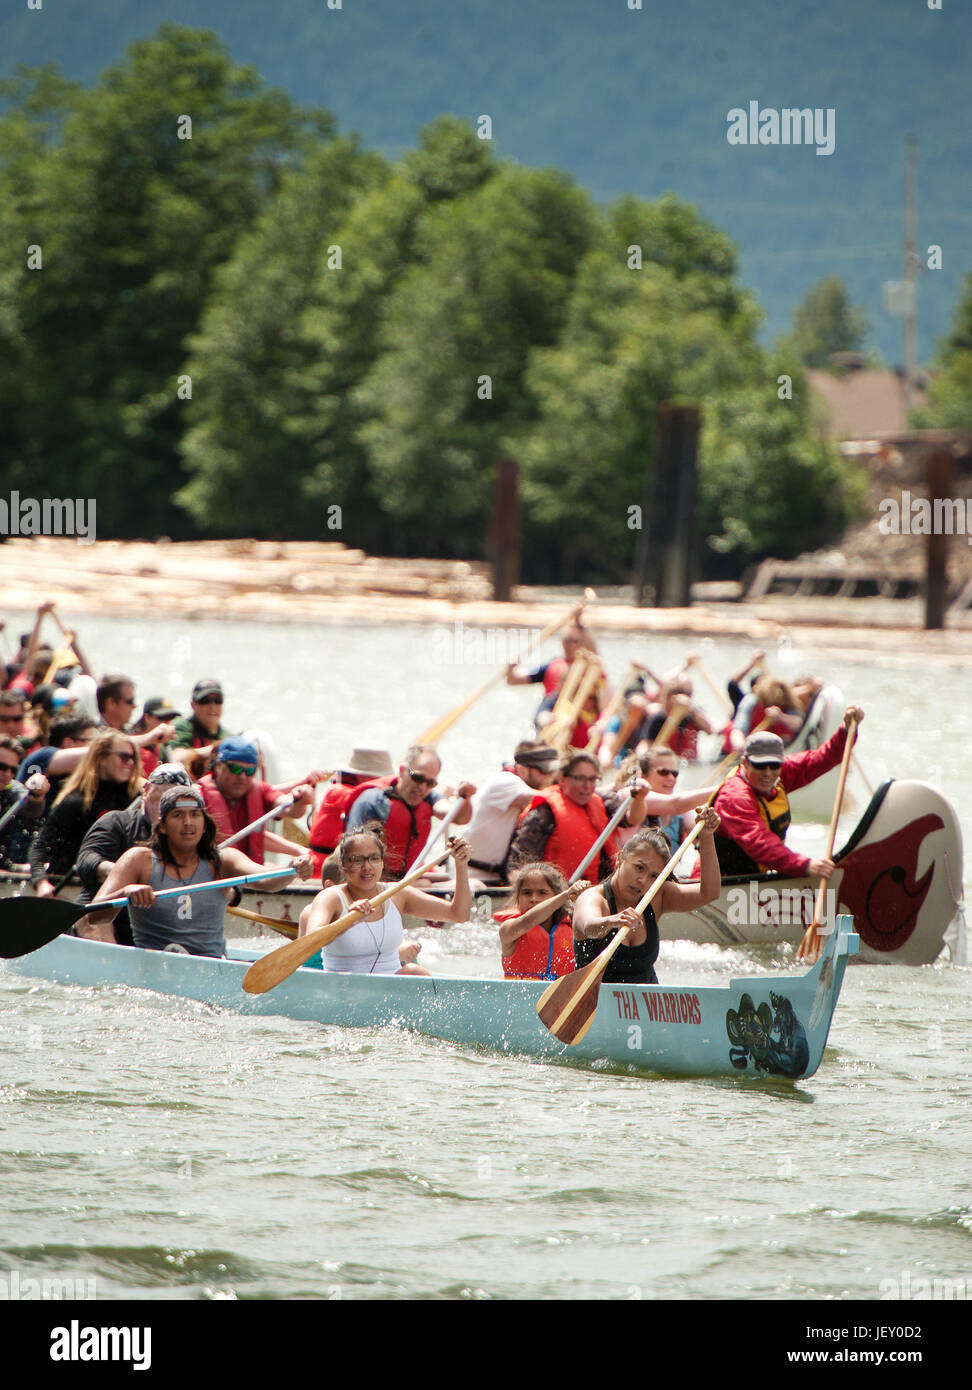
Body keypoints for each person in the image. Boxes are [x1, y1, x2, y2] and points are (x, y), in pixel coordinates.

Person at [79, 785, 314, 956]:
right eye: (178, 816)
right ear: (161, 827)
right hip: (154, 965)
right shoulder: (138, 860)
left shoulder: (223, 861)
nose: (188, 822)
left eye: (194, 815)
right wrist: (126, 893)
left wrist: (293, 869)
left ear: (204, 824)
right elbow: (95, 915)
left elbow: (267, 882)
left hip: (209, 966)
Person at [297, 825, 472, 975]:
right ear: (343, 866)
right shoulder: (331, 897)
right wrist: (348, 921)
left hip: (390, 986)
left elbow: (459, 914)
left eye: (374, 859)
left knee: (413, 972)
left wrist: (461, 866)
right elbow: (311, 941)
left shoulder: (397, 893)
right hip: (343, 988)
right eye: (357, 860)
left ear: (382, 862)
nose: (367, 867)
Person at [572, 810, 722, 984]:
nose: (642, 880)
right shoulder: (594, 898)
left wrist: (707, 836)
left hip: (645, 1005)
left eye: (653, 876)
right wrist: (613, 921)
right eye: (639, 868)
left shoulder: (657, 896)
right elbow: (588, 926)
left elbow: (709, 893)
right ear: (620, 859)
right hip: (596, 1005)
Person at [712, 707, 864, 879]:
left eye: (774, 765)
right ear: (745, 763)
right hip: (719, 883)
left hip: (752, 879)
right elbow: (760, 843)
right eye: (760, 766)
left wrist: (847, 729)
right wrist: (806, 865)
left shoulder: (781, 772)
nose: (768, 773)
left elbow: (823, 758)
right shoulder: (735, 797)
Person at [74, 765, 194, 945]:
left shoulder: (188, 835)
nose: (165, 808)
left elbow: (217, 867)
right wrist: (125, 874)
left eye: (174, 803)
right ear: (145, 791)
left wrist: (231, 893)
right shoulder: (117, 822)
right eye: (161, 797)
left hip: (154, 922)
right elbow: (86, 861)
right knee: (96, 925)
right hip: (105, 911)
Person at [508, 751, 649, 882]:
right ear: (562, 779)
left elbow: (633, 819)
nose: (587, 786)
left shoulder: (603, 802)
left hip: (594, 891)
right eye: (580, 779)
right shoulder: (544, 813)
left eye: (592, 779)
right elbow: (518, 868)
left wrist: (639, 799)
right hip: (558, 892)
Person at [29, 732, 142, 895]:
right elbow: (39, 846)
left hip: (115, 887)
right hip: (73, 887)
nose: (130, 762)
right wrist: (41, 882)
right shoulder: (77, 801)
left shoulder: (137, 799)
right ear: (102, 759)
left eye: (133, 758)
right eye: (124, 757)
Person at [344, 745, 474, 880]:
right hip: (374, 880)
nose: (422, 787)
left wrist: (465, 798)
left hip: (408, 880)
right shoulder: (373, 801)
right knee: (425, 885)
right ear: (402, 771)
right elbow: (352, 855)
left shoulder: (429, 798)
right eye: (418, 778)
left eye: (430, 783)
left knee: (475, 885)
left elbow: (459, 817)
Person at [198, 736, 315, 862]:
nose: (242, 776)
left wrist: (302, 799)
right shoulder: (199, 795)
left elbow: (292, 810)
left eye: (250, 771)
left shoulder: (259, 790)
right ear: (218, 766)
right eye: (235, 769)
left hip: (250, 874)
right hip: (212, 874)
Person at [464, 740, 559, 881]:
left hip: (499, 878)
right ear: (522, 769)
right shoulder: (504, 781)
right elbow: (542, 799)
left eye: (552, 769)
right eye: (543, 769)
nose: (549, 775)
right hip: (474, 877)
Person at [494, 862, 591, 980]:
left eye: (542, 893)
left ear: (555, 895)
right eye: (527, 893)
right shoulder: (508, 930)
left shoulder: (575, 928)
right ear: (517, 897)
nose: (534, 899)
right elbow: (528, 921)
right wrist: (566, 895)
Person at [619, 746, 720, 856]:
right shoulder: (631, 793)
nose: (672, 778)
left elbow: (702, 836)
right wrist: (722, 787)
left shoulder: (681, 810)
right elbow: (674, 804)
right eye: (664, 772)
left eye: (675, 773)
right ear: (642, 775)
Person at [307, 746, 396, 871]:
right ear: (363, 777)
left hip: (336, 863)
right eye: (381, 778)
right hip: (329, 868)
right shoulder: (354, 797)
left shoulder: (337, 790)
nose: (385, 783)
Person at [16, 713, 98, 812]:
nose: (92, 746)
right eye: (90, 741)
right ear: (69, 742)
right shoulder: (42, 755)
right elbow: (96, 754)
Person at [96, 674, 174, 776]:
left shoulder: (129, 734)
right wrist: (151, 737)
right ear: (111, 703)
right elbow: (107, 745)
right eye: (130, 701)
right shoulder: (93, 734)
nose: (135, 706)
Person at [0, 736, 48, 867]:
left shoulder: (11, 788)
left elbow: (31, 809)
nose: (7, 774)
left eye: (13, 770)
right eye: (2, 767)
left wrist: (37, 795)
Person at [166, 679, 232, 772]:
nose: (212, 707)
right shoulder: (181, 727)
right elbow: (176, 757)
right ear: (193, 705)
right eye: (205, 701)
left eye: (218, 700)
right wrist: (218, 749)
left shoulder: (227, 736)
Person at [726, 674, 802, 753]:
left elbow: (800, 724)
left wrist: (780, 717)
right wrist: (740, 744)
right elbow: (738, 729)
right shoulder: (751, 701)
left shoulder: (788, 702)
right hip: (754, 751)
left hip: (782, 749)